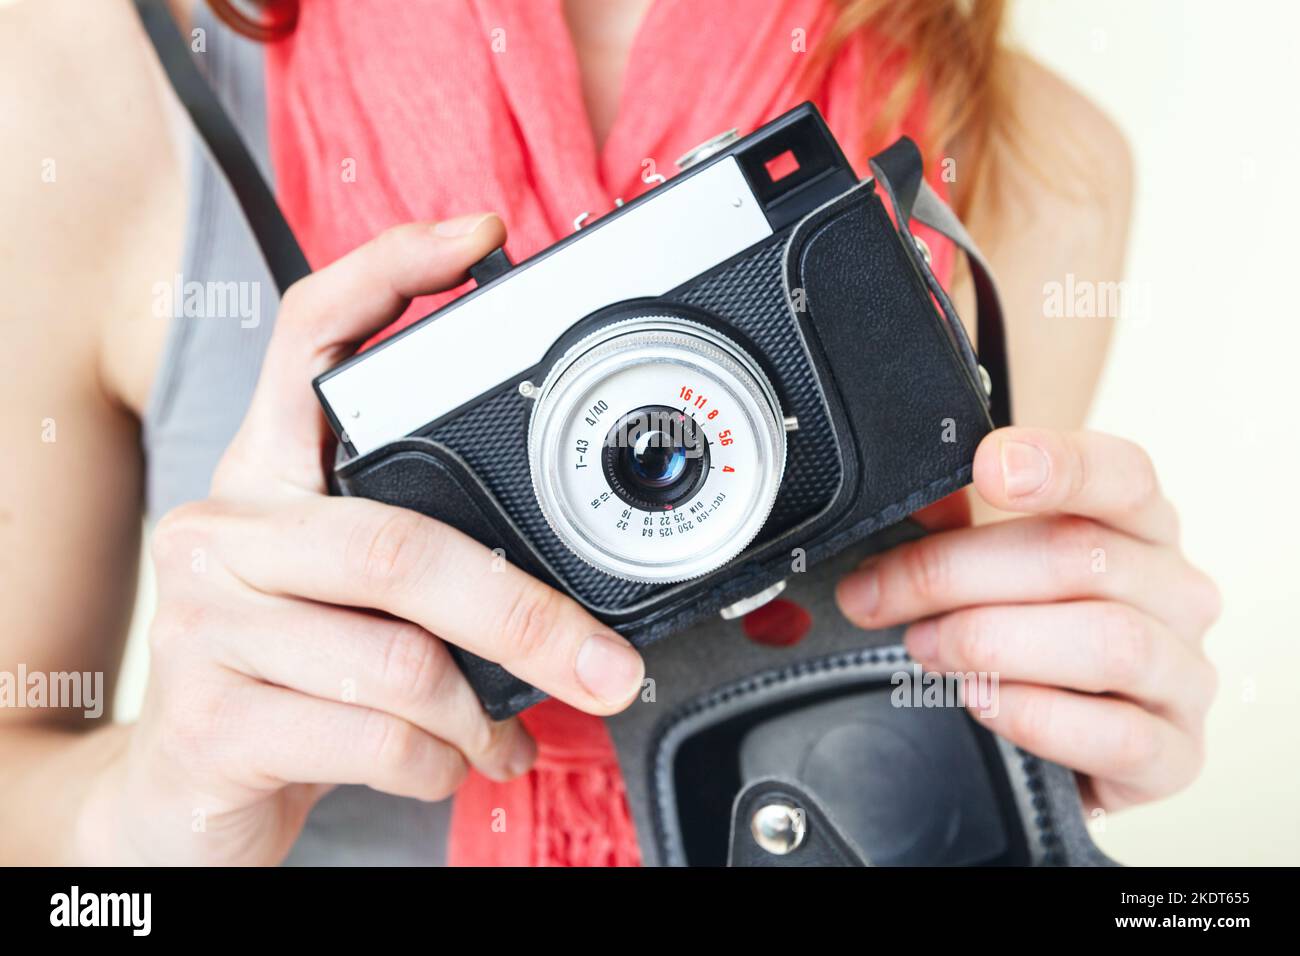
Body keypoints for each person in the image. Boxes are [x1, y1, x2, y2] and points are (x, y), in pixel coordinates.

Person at [0, 0, 1220, 865]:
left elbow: (941, 709)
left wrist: (1058, 753)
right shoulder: (103, 77)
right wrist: (141, 824)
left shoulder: (1029, 150)